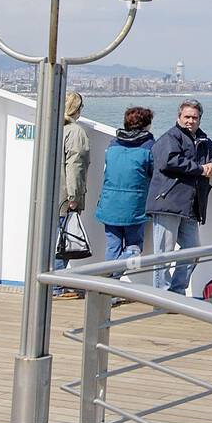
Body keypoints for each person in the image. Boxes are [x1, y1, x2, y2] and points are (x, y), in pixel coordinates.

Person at [147, 100, 212, 296]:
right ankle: (162, 295)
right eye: (187, 117)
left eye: (194, 117)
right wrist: (200, 169)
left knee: (192, 250)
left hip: (191, 204)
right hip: (168, 202)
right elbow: (169, 161)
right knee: (163, 254)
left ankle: (177, 290)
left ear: (200, 119)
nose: (190, 121)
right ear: (179, 117)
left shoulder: (203, 140)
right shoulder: (170, 137)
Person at [95, 107, 155, 264]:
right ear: (147, 125)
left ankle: (106, 285)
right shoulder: (149, 147)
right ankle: (106, 280)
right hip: (134, 207)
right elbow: (154, 174)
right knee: (134, 250)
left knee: (112, 248)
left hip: (108, 204)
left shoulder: (113, 145)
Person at [55, 91, 91, 300]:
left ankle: (52, 282)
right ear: (76, 109)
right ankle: (58, 285)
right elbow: (75, 167)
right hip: (64, 196)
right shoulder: (75, 132)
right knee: (64, 239)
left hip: (49, 194)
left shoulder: (53, 129)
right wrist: (74, 196)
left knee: (52, 239)